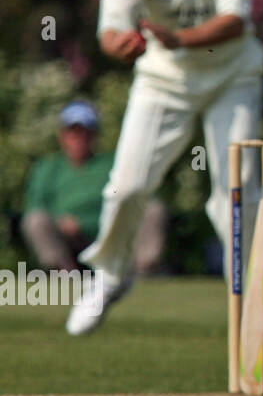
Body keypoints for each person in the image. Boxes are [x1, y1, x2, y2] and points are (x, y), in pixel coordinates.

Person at [65, 0, 263, 334]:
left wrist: (180, 38)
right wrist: (124, 44)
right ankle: (110, 275)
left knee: (237, 191)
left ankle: (249, 289)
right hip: (164, 80)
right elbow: (111, 30)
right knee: (128, 186)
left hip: (230, 74)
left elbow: (236, 19)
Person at [22, 102, 165, 275]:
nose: (79, 137)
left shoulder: (113, 164)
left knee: (153, 209)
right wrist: (60, 220)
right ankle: (64, 272)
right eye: (74, 132)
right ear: (63, 135)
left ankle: (143, 272)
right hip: (66, 238)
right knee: (35, 220)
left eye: (85, 132)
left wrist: (94, 223)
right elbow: (35, 206)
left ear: (94, 135)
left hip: (113, 233)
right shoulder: (47, 168)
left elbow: (136, 195)